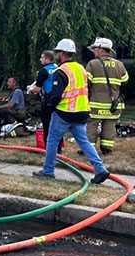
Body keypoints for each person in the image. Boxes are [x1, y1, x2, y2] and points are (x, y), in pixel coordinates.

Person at [33, 39, 109, 184]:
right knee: (84, 142)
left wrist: (48, 106)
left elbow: (55, 95)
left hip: (64, 112)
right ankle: (100, 169)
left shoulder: (61, 71)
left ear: (62, 53)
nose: (56, 55)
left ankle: (48, 171)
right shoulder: (81, 68)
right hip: (81, 112)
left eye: (57, 52)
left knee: (52, 141)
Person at [85, 37, 129, 154]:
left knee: (91, 125)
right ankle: (106, 148)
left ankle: (88, 150)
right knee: (110, 125)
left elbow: (86, 83)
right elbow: (125, 81)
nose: (93, 51)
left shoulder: (92, 64)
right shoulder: (119, 65)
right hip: (113, 105)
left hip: (96, 104)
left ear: (101, 49)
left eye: (95, 48)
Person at [28, 50, 59, 149]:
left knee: (47, 125)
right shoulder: (58, 68)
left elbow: (37, 89)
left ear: (47, 59)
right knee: (57, 125)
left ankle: (48, 148)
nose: (40, 59)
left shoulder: (43, 71)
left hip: (48, 101)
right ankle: (59, 147)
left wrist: (30, 89)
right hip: (59, 100)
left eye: (42, 57)